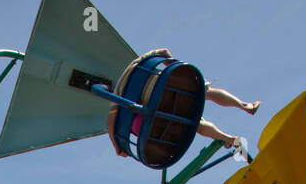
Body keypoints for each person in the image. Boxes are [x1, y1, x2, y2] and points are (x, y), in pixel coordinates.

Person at [106, 48, 259, 155]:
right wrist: (180, 73)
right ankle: (245, 105)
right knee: (205, 92)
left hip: (159, 113)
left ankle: (228, 138)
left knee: (193, 124)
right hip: (175, 92)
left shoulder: (119, 92)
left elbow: (111, 120)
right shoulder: (139, 63)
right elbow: (164, 52)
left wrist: (117, 148)